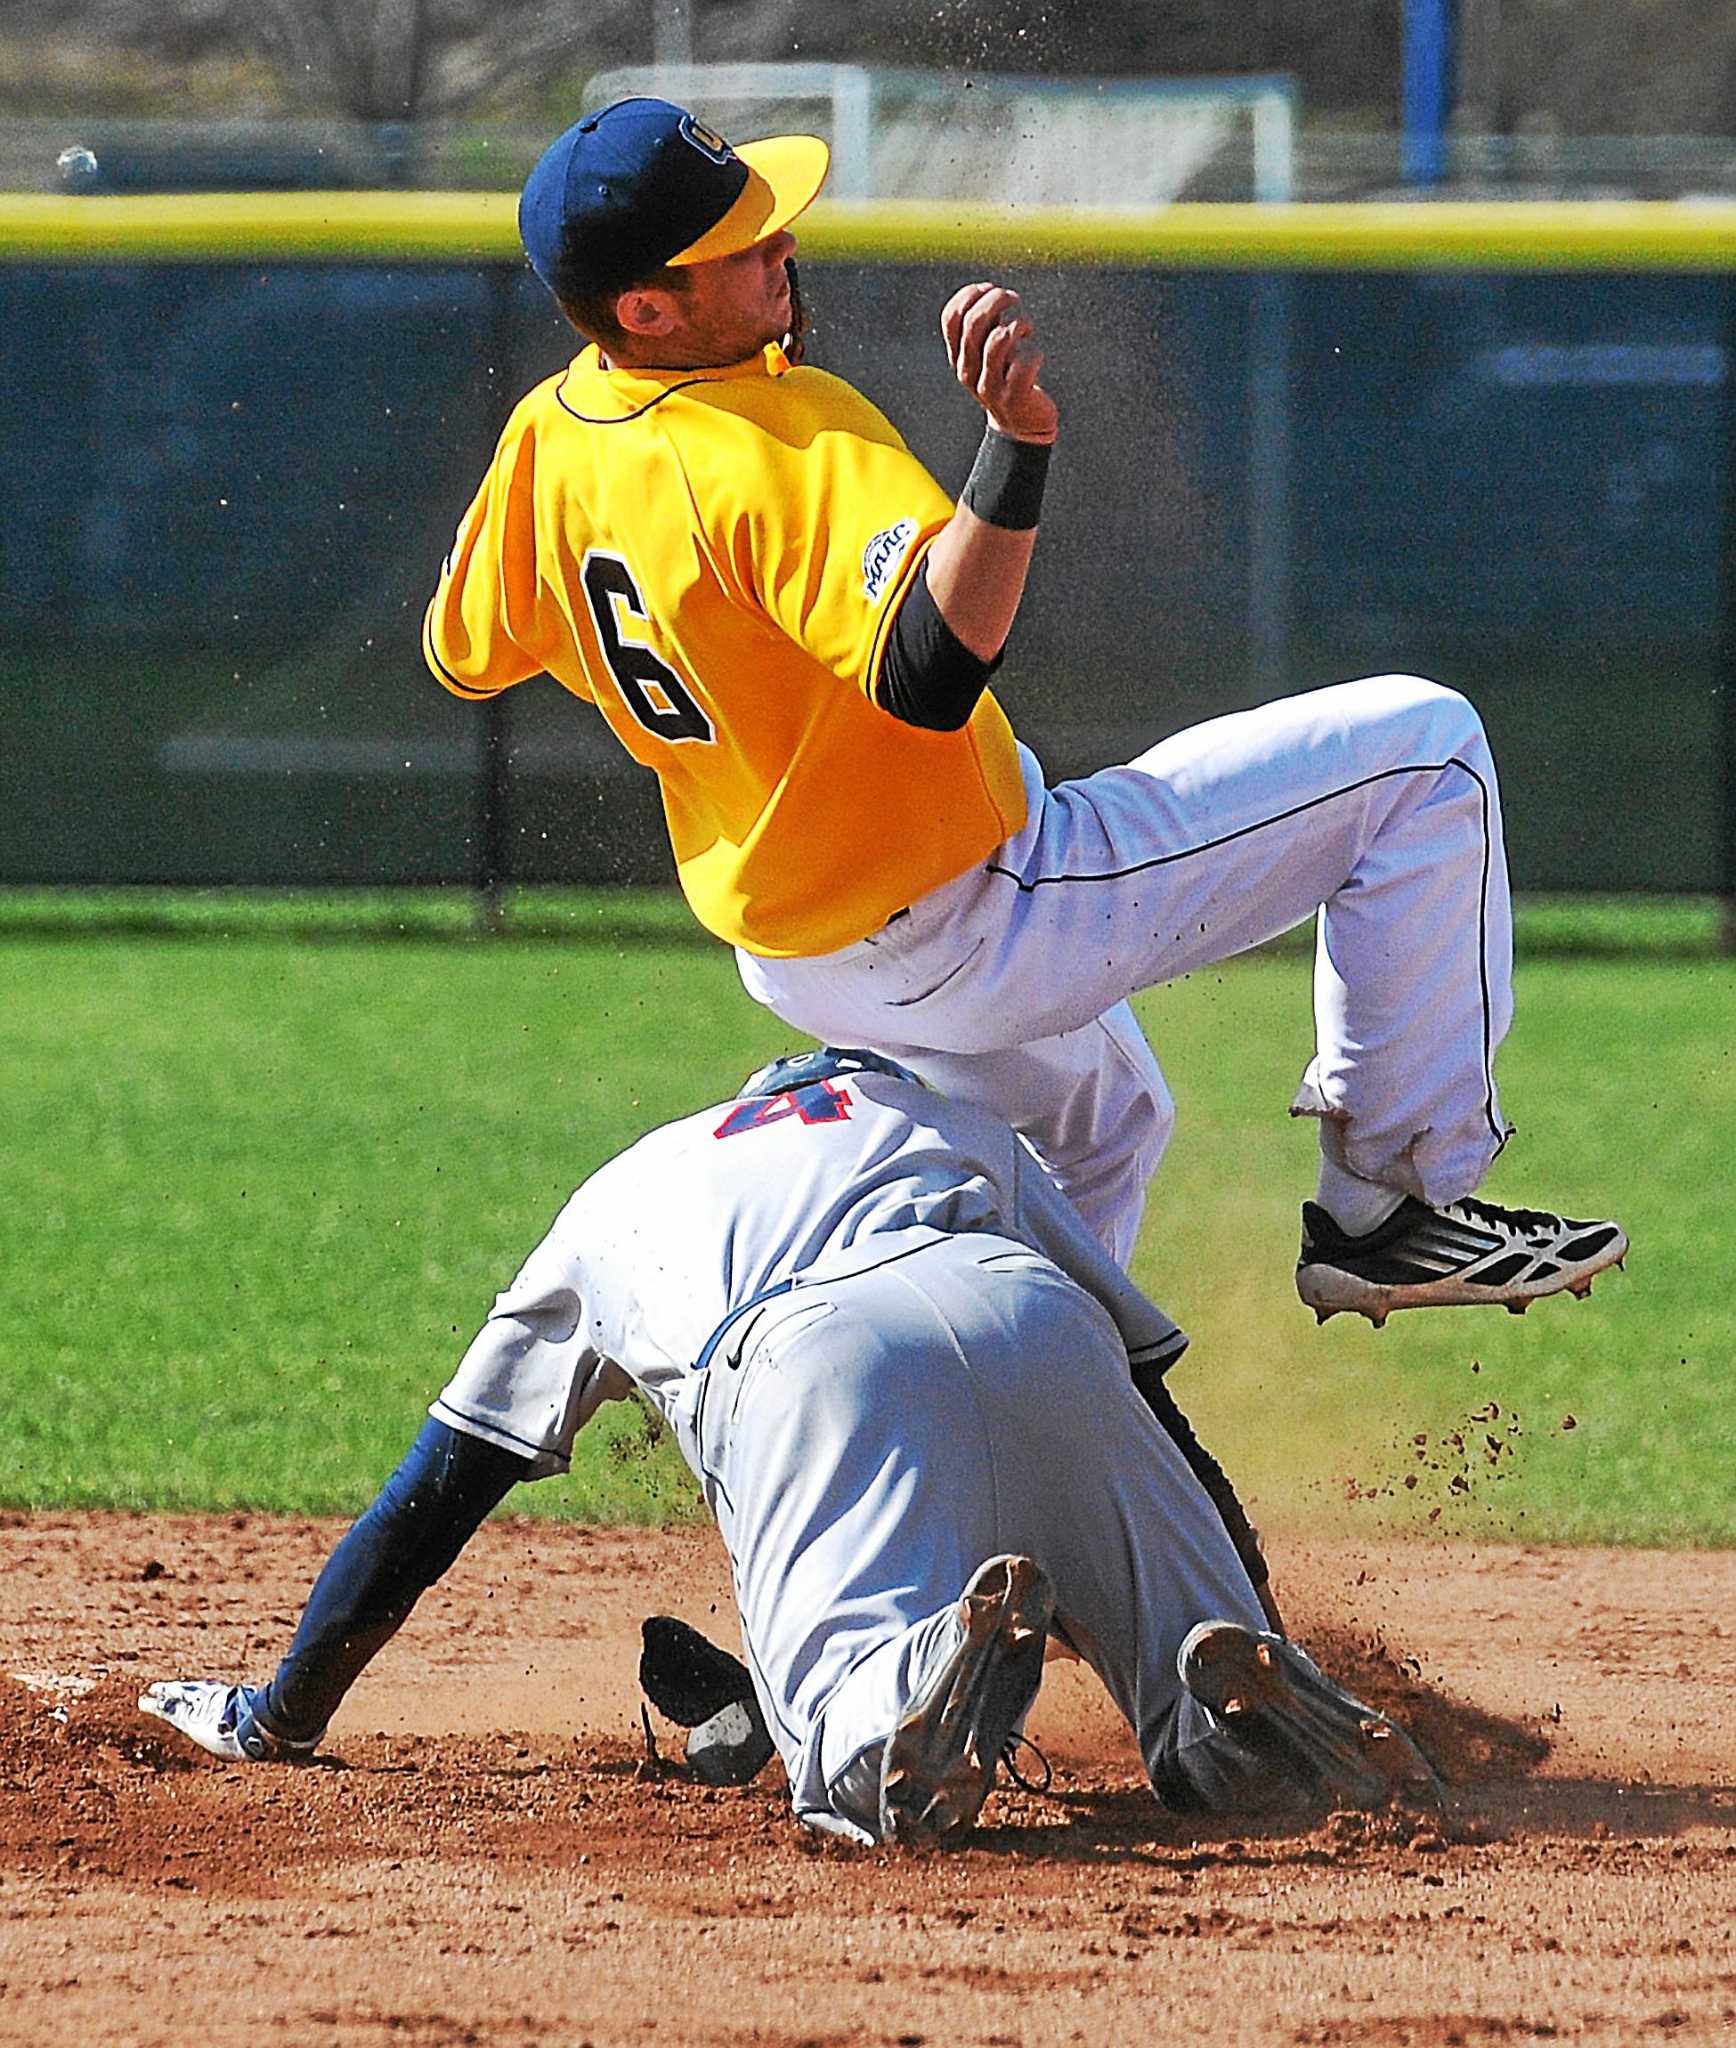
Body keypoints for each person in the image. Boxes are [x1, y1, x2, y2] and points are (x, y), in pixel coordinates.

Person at [422, 94, 1626, 1312]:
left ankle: (1027, 1417)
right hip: (978, 917)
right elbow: (931, 670)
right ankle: (1390, 1207)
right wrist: (1014, 441)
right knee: (1424, 757)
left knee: (1107, 1128)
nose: (781, 243)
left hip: (797, 952)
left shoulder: (551, 435)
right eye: (740, 244)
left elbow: (462, 649)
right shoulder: (775, 440)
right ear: (646, 307)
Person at [140, 1050, 1435, 1847]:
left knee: (845, 1766)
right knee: (1193, 1662)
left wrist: (280, 1710)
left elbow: (434, 1497)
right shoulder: (927, 1112)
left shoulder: (618, 1192)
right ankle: (1224, 1701)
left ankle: (910, 1686)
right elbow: (1161, 1418)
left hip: (810, 1361)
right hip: (1030, 1310)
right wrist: (1241, 1598)